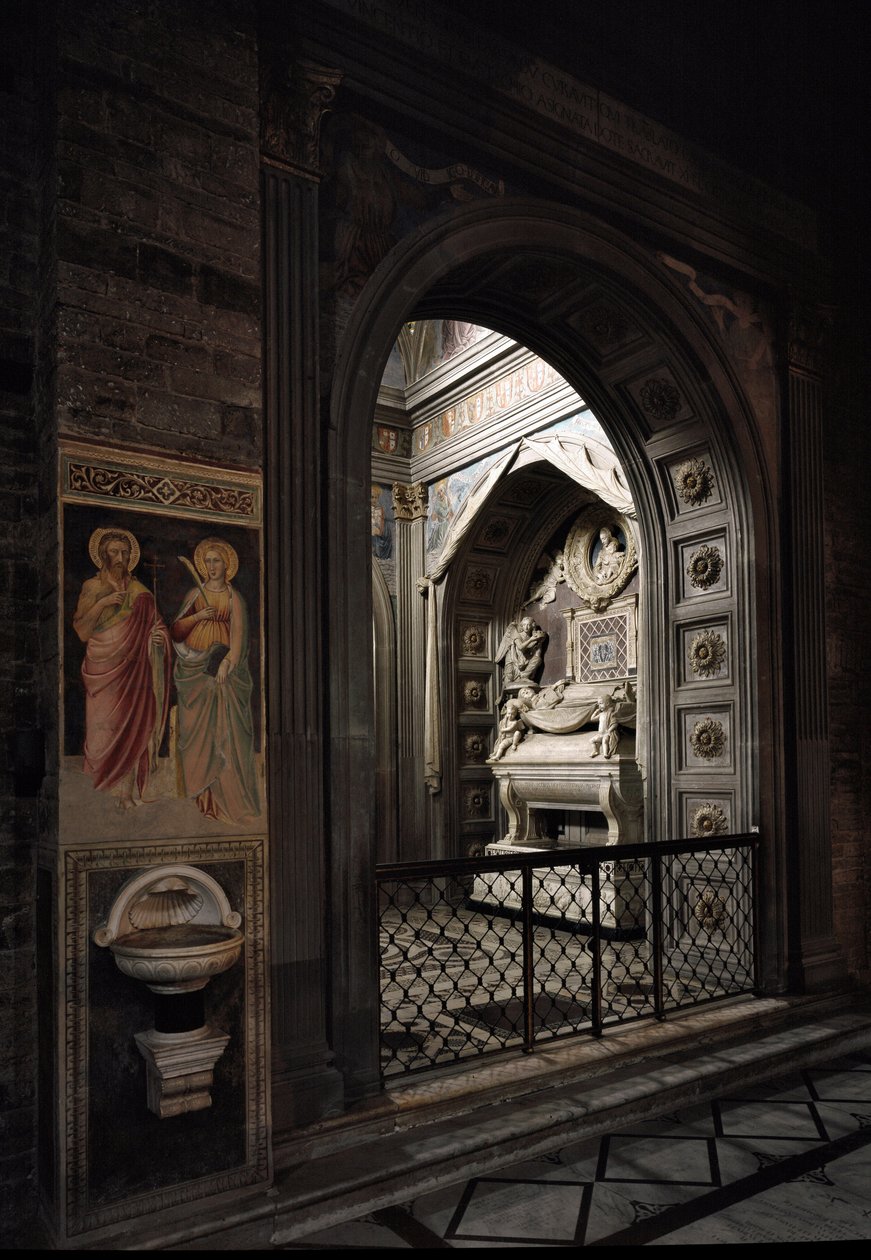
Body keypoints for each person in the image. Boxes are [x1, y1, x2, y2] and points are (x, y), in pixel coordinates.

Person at [73, 527, 171, 808]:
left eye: (125, 553)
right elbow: (82, 631)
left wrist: (159, 639)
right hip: (103, 670)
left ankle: (126, 795)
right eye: (114, 552)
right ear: (103, 555)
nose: (120, 557)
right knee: (105, 730)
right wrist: (103, 602)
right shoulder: (92, 587)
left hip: (136, 672)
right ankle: (102, 794)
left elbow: (158, 625)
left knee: (134, 729)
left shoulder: (140, 593)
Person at [171, 538, 261, 823]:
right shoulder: (194, 594)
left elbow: (239, 637)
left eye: (216, 561)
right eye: (208, 561)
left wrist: (227, 662)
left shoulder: (234, 598)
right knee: (199, 736)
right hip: (194, 671)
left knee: (225, 732)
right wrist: (198, 615)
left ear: (226, 565)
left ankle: (226, 800)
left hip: (223, 674)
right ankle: (203, 797)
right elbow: (177, 631)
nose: (211, 566)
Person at [496, 616, 547, 687]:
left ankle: (524, 676)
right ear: (522, 626)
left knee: (537, 659)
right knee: (509, 679)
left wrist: (540, 642)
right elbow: (520, 647)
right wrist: (531, 640)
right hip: (513, 659)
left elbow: (536, 653)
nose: (526, 627)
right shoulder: (517, 635)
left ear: (532, 626)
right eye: (524, 625)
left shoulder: (531, 637)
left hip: (525, 658)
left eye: (528, 625)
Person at [590, 693, 620, 759]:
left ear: (607, 703)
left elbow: (615, 723)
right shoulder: (601, 714)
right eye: (598, 704)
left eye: (601, 703)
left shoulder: (611, 714)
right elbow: (592, 719)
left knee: (605, 741)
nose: (599, 705)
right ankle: (596, 751)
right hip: (600, 734)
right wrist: (596, 712)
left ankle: (605, 754)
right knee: (592, 740)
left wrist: (609, 730)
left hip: (606, 734)